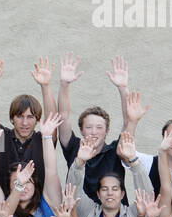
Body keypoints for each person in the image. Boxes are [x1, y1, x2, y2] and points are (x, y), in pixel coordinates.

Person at [56, 54, 144, 201]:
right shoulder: (74, 148)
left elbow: (128, 120)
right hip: (81, 216)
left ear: (107, 131)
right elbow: (64, 116)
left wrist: (123, 89)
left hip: (115, 216)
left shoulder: (115, 152)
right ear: (82, 130)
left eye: (99, 127)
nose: (94, 132)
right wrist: (64, 85)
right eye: (89, 127)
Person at [0, 56, 54, 196]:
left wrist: (46, 86)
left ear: (37, 120)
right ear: (12, 118)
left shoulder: (43, 140)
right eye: (19, 116)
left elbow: (52, 120)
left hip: (37, 208)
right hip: (5, 207)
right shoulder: (1, 138)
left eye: (30, 117)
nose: (25, 123)